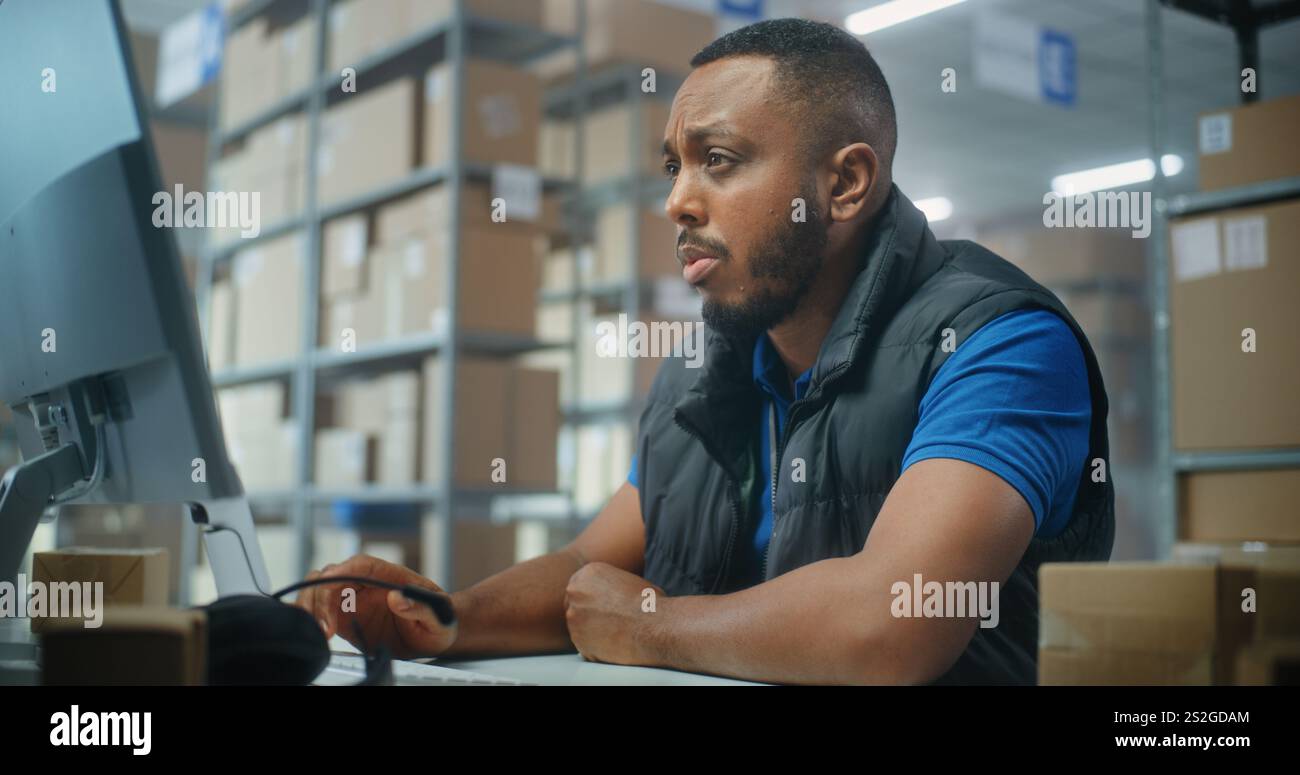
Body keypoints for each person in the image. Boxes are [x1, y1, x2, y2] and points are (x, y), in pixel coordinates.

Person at [294, 18, 1113, 685]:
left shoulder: (998, 343)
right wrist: (444, 620)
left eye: (718, 161)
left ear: (845, 184)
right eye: (673, 166)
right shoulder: (702, 365)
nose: (677, 201)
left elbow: (894, 620)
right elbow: (590, 570)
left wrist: (656, 627)